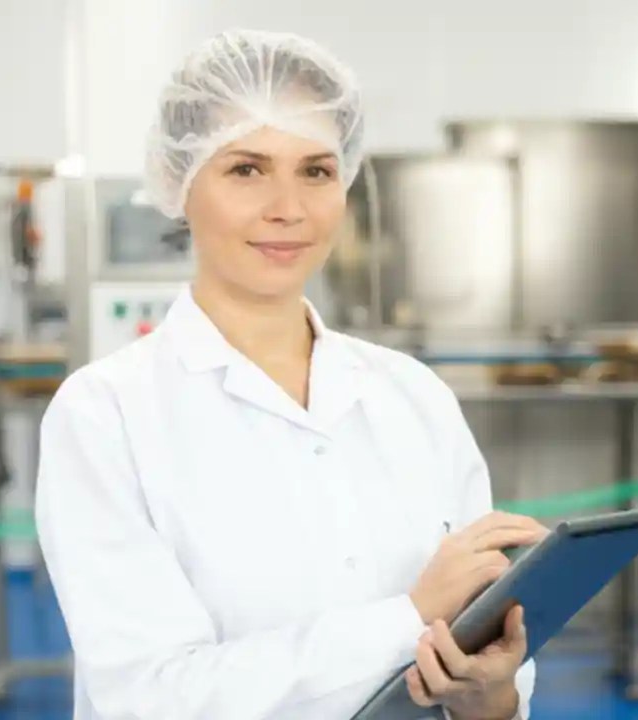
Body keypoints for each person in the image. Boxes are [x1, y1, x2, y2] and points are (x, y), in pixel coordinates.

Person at [36, 28, 548, 720]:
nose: (289, 207)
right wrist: (408, 618)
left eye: (316, 171)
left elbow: (486, 641)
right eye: (247, 170)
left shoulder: (413, 395)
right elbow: (149, 697)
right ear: (181, 184)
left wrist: (492, 697)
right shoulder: (106, 415)